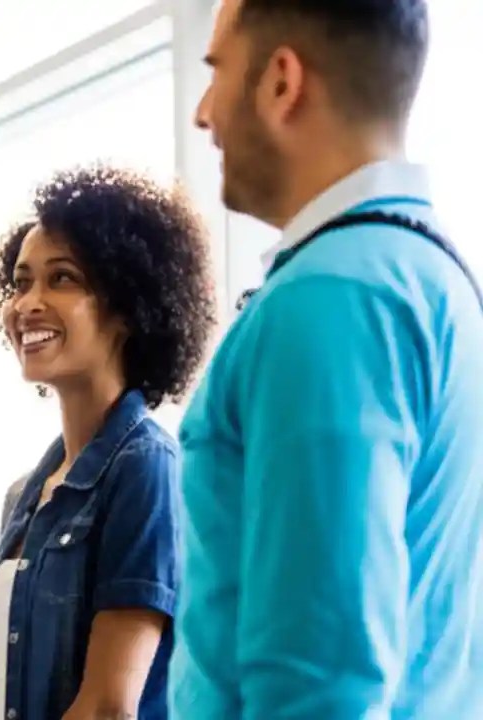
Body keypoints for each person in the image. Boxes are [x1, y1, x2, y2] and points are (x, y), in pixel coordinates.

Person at [172, 1, 483, 718]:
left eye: (217, 71)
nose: (203, 113)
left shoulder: (332, 297)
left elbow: (320, 680)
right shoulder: (423, 274)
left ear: (282, 81)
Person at [0, 164, 217, 720]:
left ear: (126, 308)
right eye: (22, 281)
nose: (28, 303)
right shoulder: (26, 497)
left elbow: (107, 707)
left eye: (62, 279)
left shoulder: (144, 469)